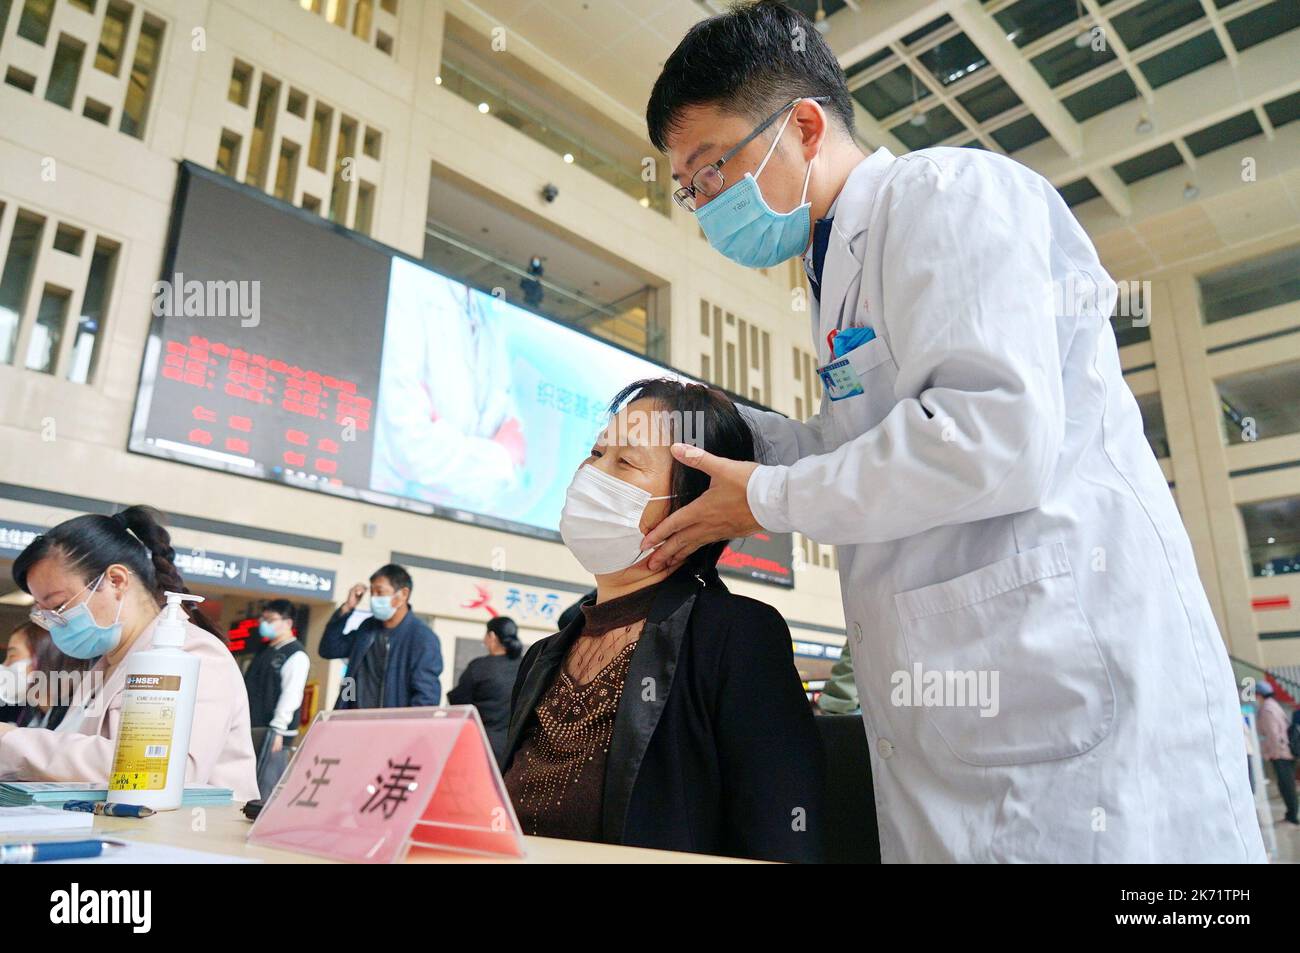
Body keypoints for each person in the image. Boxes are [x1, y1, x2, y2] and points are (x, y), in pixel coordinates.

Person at [640, 1, 1263, 862]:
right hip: (969, 711)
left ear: (805, 126)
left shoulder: (948, 197)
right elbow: (864, 444)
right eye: (688, 187)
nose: (705, 202)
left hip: (1061, 691)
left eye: (711, 169)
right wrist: (726, 430)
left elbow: (991, 434)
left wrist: (771, 498)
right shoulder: (834, 268)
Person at [503, 378, 825, 863]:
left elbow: (784, 836)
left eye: (626, 462)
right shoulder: (543, 657)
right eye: (596, 453)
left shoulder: (734, 638)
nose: (591, 474)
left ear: (695, 502)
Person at [0, 507, 258, 801]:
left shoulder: (191, 654)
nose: (54, 623)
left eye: (58, 606)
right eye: (44, 613)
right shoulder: (106, 664)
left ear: (116, 581)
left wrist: (11, 741)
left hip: (190, 826)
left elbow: (156, 770)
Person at [319, 563, 443, 709]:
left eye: (380, 592)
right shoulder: (367, 629)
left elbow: (426, 698)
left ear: (403, 594)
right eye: (372, 592)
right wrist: (347, 607)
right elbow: (329, 649)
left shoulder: (422, 638)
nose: (374, 598)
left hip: (393, 722)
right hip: (354, 718)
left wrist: (405, 723)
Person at [244, 599, 309, 798]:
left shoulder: (296, 654)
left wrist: (278, 729)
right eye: (263, 619)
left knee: (266, 786)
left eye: (270, 619)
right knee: (249, 783)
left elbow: (291, 695)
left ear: (288, 623)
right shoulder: (265, 650)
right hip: (254, 725)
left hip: (275, 732)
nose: (264, 624)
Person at [448, 615, 522, 766]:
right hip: (515, 749)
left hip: (482, 745)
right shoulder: (525, 666)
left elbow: (458, 702)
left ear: (492, 636)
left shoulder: (480, 667)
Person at [3, 622, 95, 730]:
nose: (5, 665)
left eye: (12, 656)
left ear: (46, 657)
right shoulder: (32, 715)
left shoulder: (82, 718)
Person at [1256, 682, 1297, 825]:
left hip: (1280, 754)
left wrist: (1272, 754)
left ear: (1259, 695)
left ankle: (1292, 816)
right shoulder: (1274, 705)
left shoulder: (1266, 709)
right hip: (1286, 751)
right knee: (1288, 785)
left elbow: (1273, 734)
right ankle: (1292, 814)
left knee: (1286, 786)